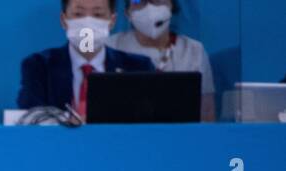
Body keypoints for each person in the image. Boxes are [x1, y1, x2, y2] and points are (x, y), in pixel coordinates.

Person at [18, 0, 154, 116]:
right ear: (63, 20)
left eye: (98, 14)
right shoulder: (39, 66)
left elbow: (148, 120)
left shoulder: (138, 67)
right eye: (78, 14)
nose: (87, 24)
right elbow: (31, 116)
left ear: (112, 21)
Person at [108, 0, 215, 121]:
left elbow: (207, 113)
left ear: (172, 7)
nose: (149, 9)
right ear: (127, 12)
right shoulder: (111, 46)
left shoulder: (194, 51)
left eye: (157, 0)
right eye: (139, 1)